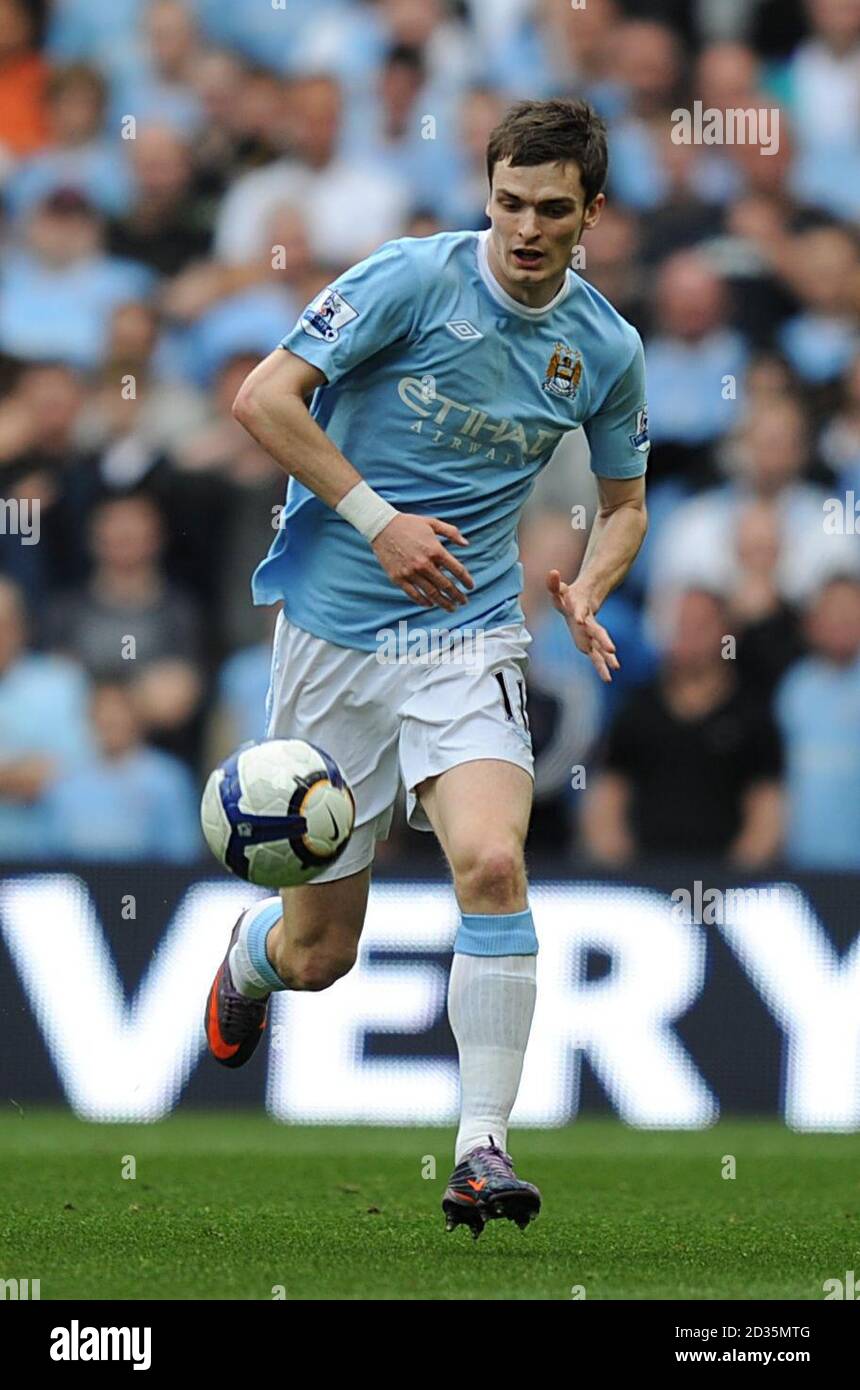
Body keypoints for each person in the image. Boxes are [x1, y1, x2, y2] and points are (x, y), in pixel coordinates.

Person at [204, 98, 649, 1237]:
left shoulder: (600, 349)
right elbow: (262, 397)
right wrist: (376, 518)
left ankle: (479, 1151)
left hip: (471, 633)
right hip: (335, 639)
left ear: (590, 211)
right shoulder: (409, 278)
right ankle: (249, 960)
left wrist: (589, 586)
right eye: (507, 202)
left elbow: (624, 503)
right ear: (486, 193)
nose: (524, 228)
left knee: (493, 863)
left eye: (552, 209)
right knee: (320, 956)